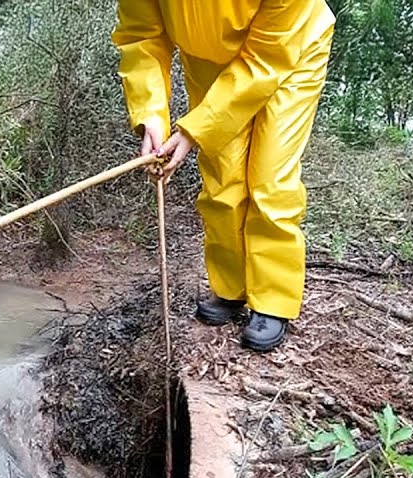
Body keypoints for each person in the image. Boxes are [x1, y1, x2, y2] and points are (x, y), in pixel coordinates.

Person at [112, 0, 335, 352]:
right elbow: (142, 37)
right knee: (222, 179)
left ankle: (272, 300)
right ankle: (232, 289)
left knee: (269, 179)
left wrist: (194, 130)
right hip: (209, 64)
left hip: (288, 51)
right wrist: (151, 114)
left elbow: (265, 60)